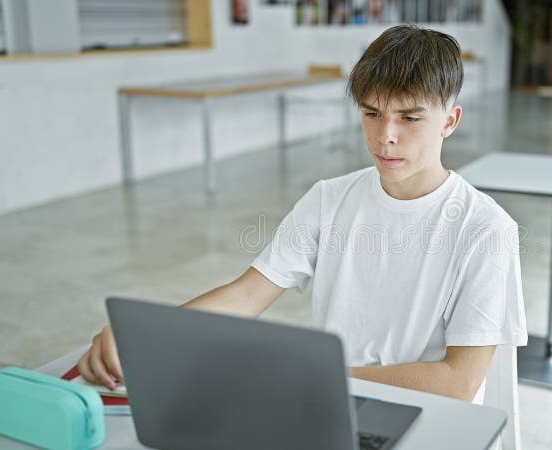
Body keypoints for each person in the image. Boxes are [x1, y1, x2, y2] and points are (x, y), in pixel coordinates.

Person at [78, 25, 527, 404]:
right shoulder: (330, 199)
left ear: (450, 120)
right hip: (328, 402)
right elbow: (248, 294)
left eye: (410, 118)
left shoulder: (486, 230)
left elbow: (459, 383)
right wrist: (145, 336)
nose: (385, 136)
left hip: (418, 416)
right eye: (372, 113)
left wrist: (323, 379)